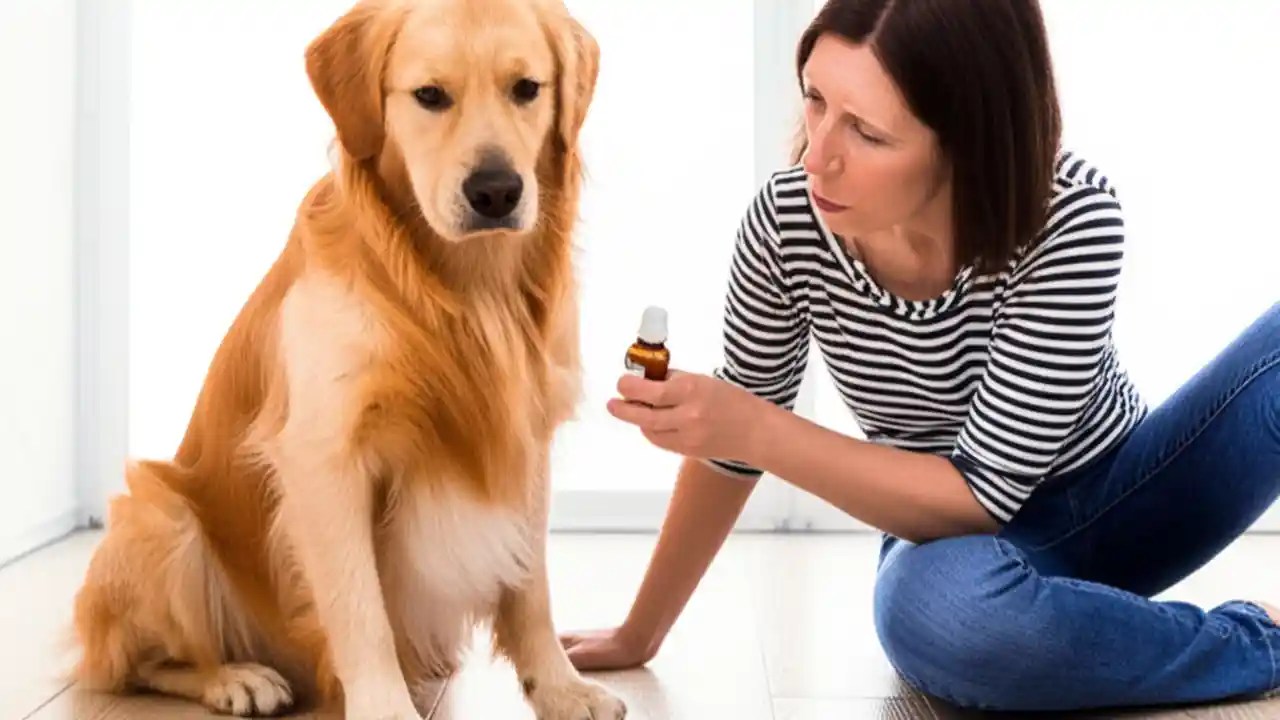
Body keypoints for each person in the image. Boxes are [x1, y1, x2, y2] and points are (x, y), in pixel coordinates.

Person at [558, 0, 1280, 713]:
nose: (816, 157)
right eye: (815, 99)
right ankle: (1243, 641)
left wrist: (751, 426)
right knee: (938, 612)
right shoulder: (785, 227)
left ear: (965, 138)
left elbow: (981, 492)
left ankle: (1226, 643)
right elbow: (730, 452)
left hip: (1127, 496)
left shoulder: (1070, 213)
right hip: (953, 549)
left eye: (867, 132)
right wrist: (639, 633)